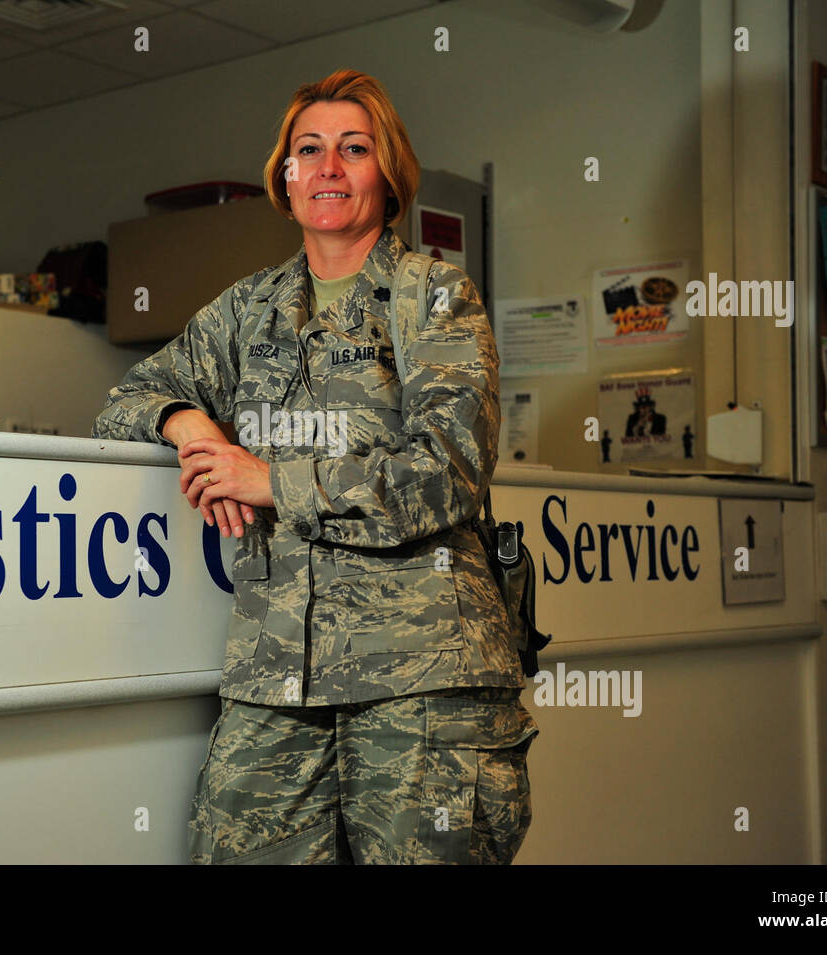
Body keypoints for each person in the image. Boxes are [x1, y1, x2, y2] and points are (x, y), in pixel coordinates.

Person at [92, 69, 537, 864]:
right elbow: (130, 395)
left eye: (353, 149)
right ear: (286, 178)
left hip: (422, 680)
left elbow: (447, 467)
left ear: (388, 172)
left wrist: (271, 481)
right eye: (309, 150)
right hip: (276, 677)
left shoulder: (433, 296)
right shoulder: (250, 307)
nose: (328, 166)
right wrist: (192, 424)